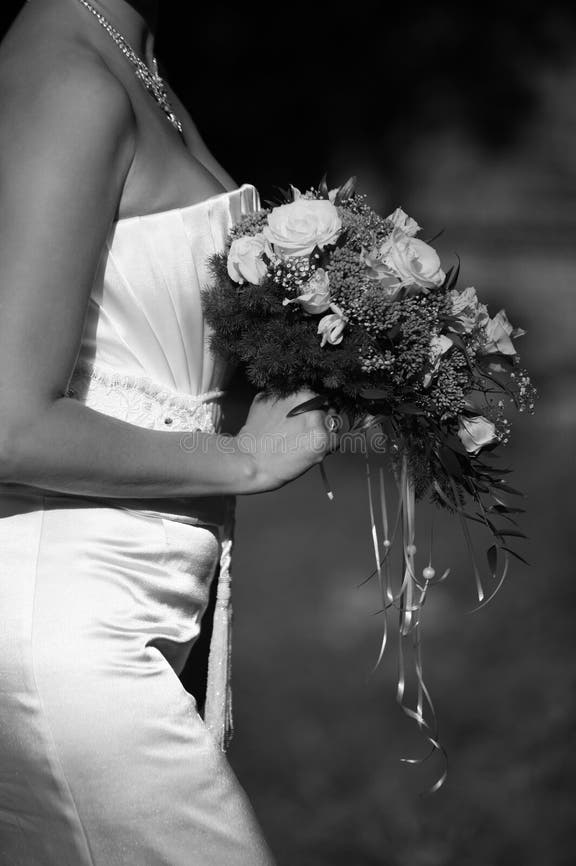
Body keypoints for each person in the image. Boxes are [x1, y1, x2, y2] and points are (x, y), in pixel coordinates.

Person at [0, 1, 338, 863]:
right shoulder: (69, 78)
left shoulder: (130, 55)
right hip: (66, 636)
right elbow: (10, 423)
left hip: (144, 603)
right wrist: (243, 459)